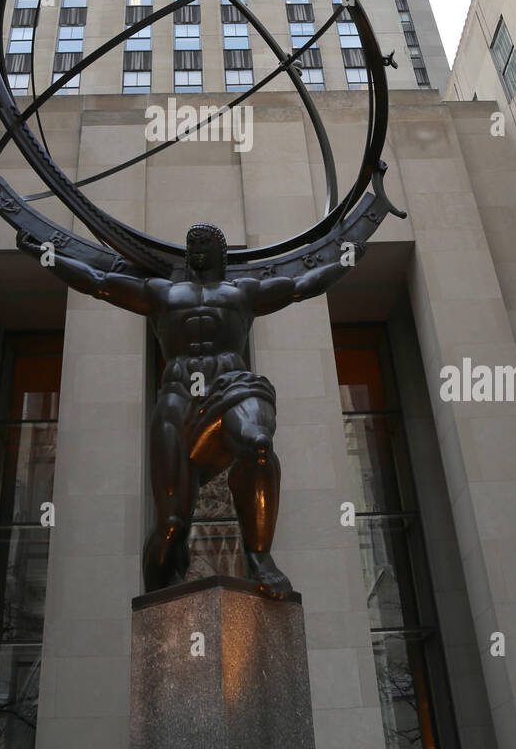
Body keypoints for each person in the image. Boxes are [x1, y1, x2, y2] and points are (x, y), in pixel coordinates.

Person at [47, 221, 349, 598]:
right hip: (177, 399)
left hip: (230, 387)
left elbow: (302, 286)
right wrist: (47, 256)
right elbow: (99, 283)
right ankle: (159, 605)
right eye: (193, 242)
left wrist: (347, 258)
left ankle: (260, 557)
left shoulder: (243, 291)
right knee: (172, 523)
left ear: (223, 253)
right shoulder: (160, 292)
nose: (197, 246)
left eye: (206, 241)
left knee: (257, 443)